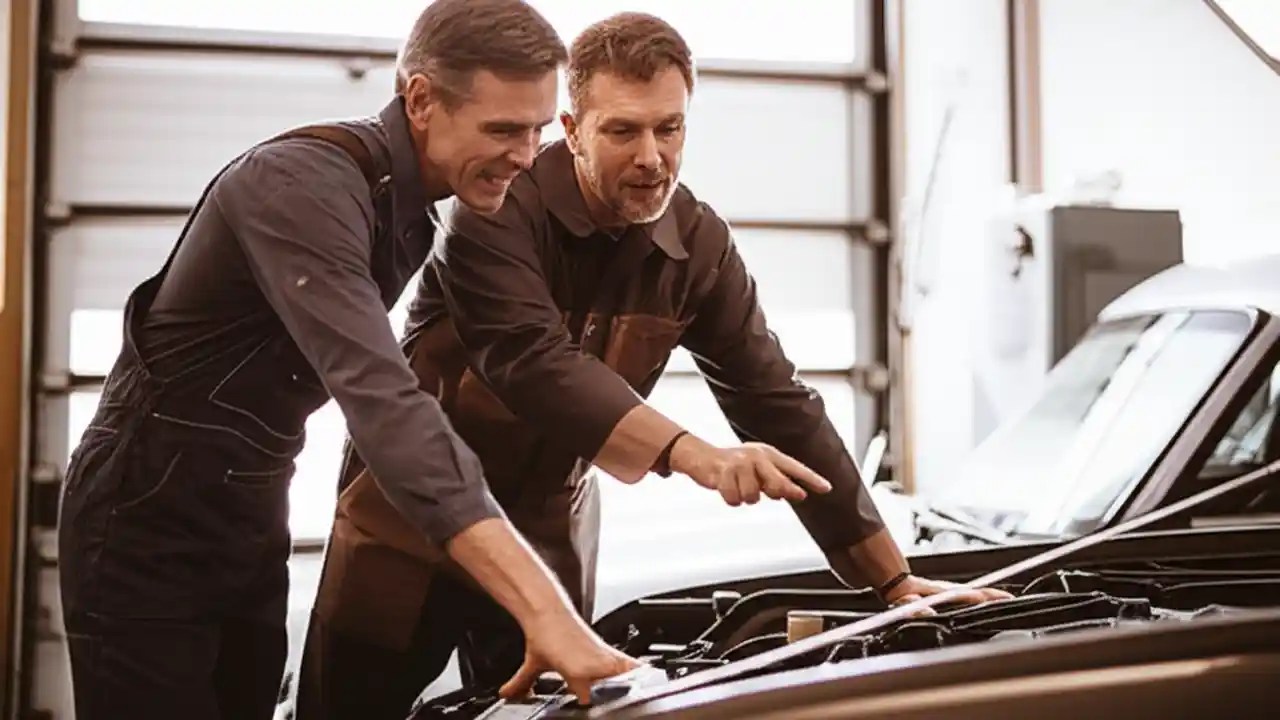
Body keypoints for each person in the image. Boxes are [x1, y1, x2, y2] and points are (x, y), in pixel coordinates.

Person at [295, 10, 1014, 720]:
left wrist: (890, 579)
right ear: (571, 130)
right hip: (408, 525)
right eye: (623, 131)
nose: (651, 156)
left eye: (669, 129)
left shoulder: (700, 246)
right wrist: (694, 455)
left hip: (549, 532)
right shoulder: (493, 205)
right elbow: (531, 362)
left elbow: (778, 403)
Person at [54, 2, 642, 719]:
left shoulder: (412, 209)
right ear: (420, 99)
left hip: (250, 508)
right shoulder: (297, 188)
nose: (526, 156)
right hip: (145, 517)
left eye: (536, 130)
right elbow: (385, 404)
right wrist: (545, 612)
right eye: (502, 129)